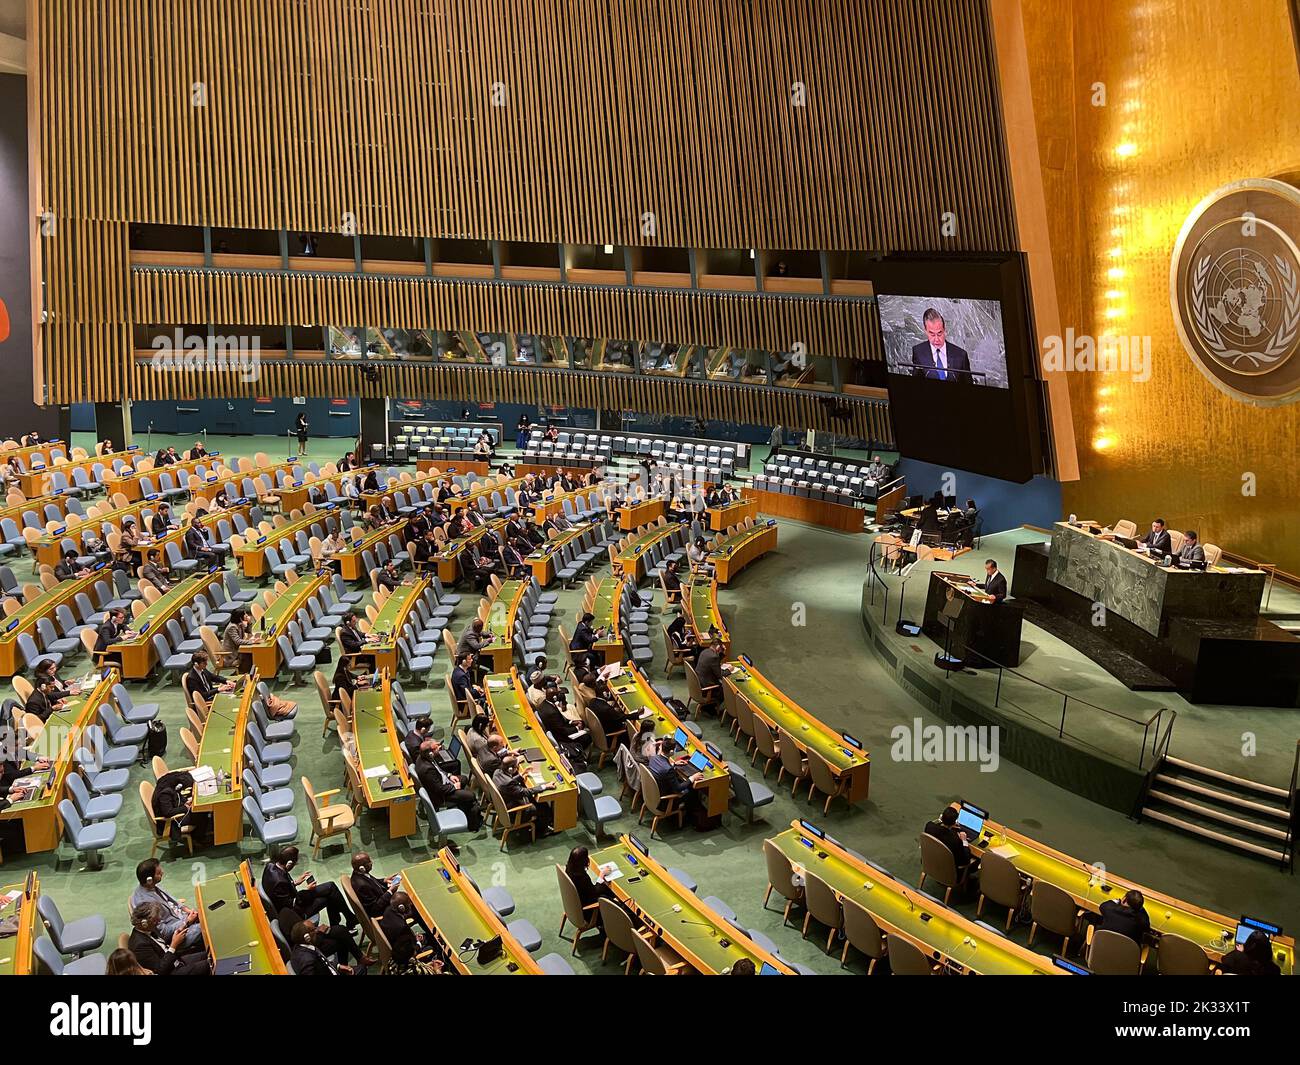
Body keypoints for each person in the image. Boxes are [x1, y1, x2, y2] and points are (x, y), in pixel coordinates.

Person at [130, 858, 205, 951]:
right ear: (149, 880)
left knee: (206, 911)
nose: (162, 873)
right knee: (207, 927)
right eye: (158, 873)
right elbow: (164, 933)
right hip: (176, 934)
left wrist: (187, 910)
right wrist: (187, 921)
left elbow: (172, 899)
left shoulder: (152, 885)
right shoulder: (146, 905)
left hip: (181, 918)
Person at [414, 738, 482, 834]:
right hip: (442, 796)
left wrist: (450, 776)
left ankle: (462, 803)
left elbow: (439, 771)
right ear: (430, 753)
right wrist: (454, 787)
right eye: (437, 749)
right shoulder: (427, 769)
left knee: (464, 779)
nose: (440, 749)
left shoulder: (424, 757)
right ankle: (473, 824)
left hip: (444, 783)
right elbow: (439, 789)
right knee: (471, 796)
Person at [128, 901, 211, 975]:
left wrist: (183, 927)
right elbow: (160, 970)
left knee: (209, 954)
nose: (159, 921)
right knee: (210, 963)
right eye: (155, 920)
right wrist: (173, 945)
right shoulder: (140, 945)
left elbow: (163, 944)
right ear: (144, 924)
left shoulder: (150, 929)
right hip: (171, 971)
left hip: (175, 960)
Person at [379, 892, 443, 974]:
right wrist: (418, 943)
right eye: (409, 904)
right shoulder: (401, 927)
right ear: (402, 908)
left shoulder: (388, 911)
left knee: (426, 936)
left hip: (398, 951)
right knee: (432, 947)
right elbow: (409, 953)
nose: (410, 905)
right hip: (408, 959)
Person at [491, 753, 553, 836]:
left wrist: (521, 774)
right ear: (510, 769)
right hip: (515, 811)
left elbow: (508, 781)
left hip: (505, 804)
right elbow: (525, 792)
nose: (517, 768)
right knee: (543, 806)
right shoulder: (509, 783)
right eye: (516, 766)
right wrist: (545, 786)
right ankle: (542, 831)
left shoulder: (497, 772)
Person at [910, 308, 972, 381]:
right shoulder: (918, 352)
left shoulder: (961, 355)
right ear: (926, 331)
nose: (936, 339)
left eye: (939, 333)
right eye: (932, 334)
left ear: (944, 330)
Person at [647, 737, 704, 816]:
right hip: (664, 802)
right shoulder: (668, 769)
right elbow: (678, 788)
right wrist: (692, 778)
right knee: (692, 789)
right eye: (674, 749)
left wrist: (674, 764)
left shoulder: (653, 758)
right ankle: (690, 816)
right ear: (671, 752)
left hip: (652, 793)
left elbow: (662, 768)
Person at [289, 920, 364, 975]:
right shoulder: (307, 961)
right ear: (307, 937)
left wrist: (338, 966)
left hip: (330, 970)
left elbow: (321, 963)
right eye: (314, 930)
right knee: (362, 969)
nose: (317, 931)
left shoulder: (299, 947)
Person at [564, 845, 617, 924]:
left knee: (606, 889)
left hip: (575, 904)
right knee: (609, 892)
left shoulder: (568, 869)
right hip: (589, 912)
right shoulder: (581, 877)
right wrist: (602, 875)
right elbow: (595, 892)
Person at [924, 805, 976, 881]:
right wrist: (964, 841)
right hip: (950, 873)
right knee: (976, 861)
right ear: (954, 822)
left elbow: (937, 826)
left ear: (941, 817)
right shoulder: (955, 840)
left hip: (930, 863)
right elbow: (966, 860)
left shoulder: (929, 826)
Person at [350, 852, 401, 918]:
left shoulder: (358, 874)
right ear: (362, 868)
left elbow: (372, 882)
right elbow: (374, 908)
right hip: (384, 911)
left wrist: (384, 880)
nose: (371, 863)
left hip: (381, 899)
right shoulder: (362, 886)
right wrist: (390, 892)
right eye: (369, 862)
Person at [693, 636, 727, 715]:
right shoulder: (714, 657)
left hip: (699, 684)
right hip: (706, 688)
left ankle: (709, 706)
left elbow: (715, 662)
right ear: (718, 647)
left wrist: (721, 654)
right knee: (725, 688)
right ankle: (711, 708)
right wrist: (730, 670)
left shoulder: (705, 651)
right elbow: (719, 675)